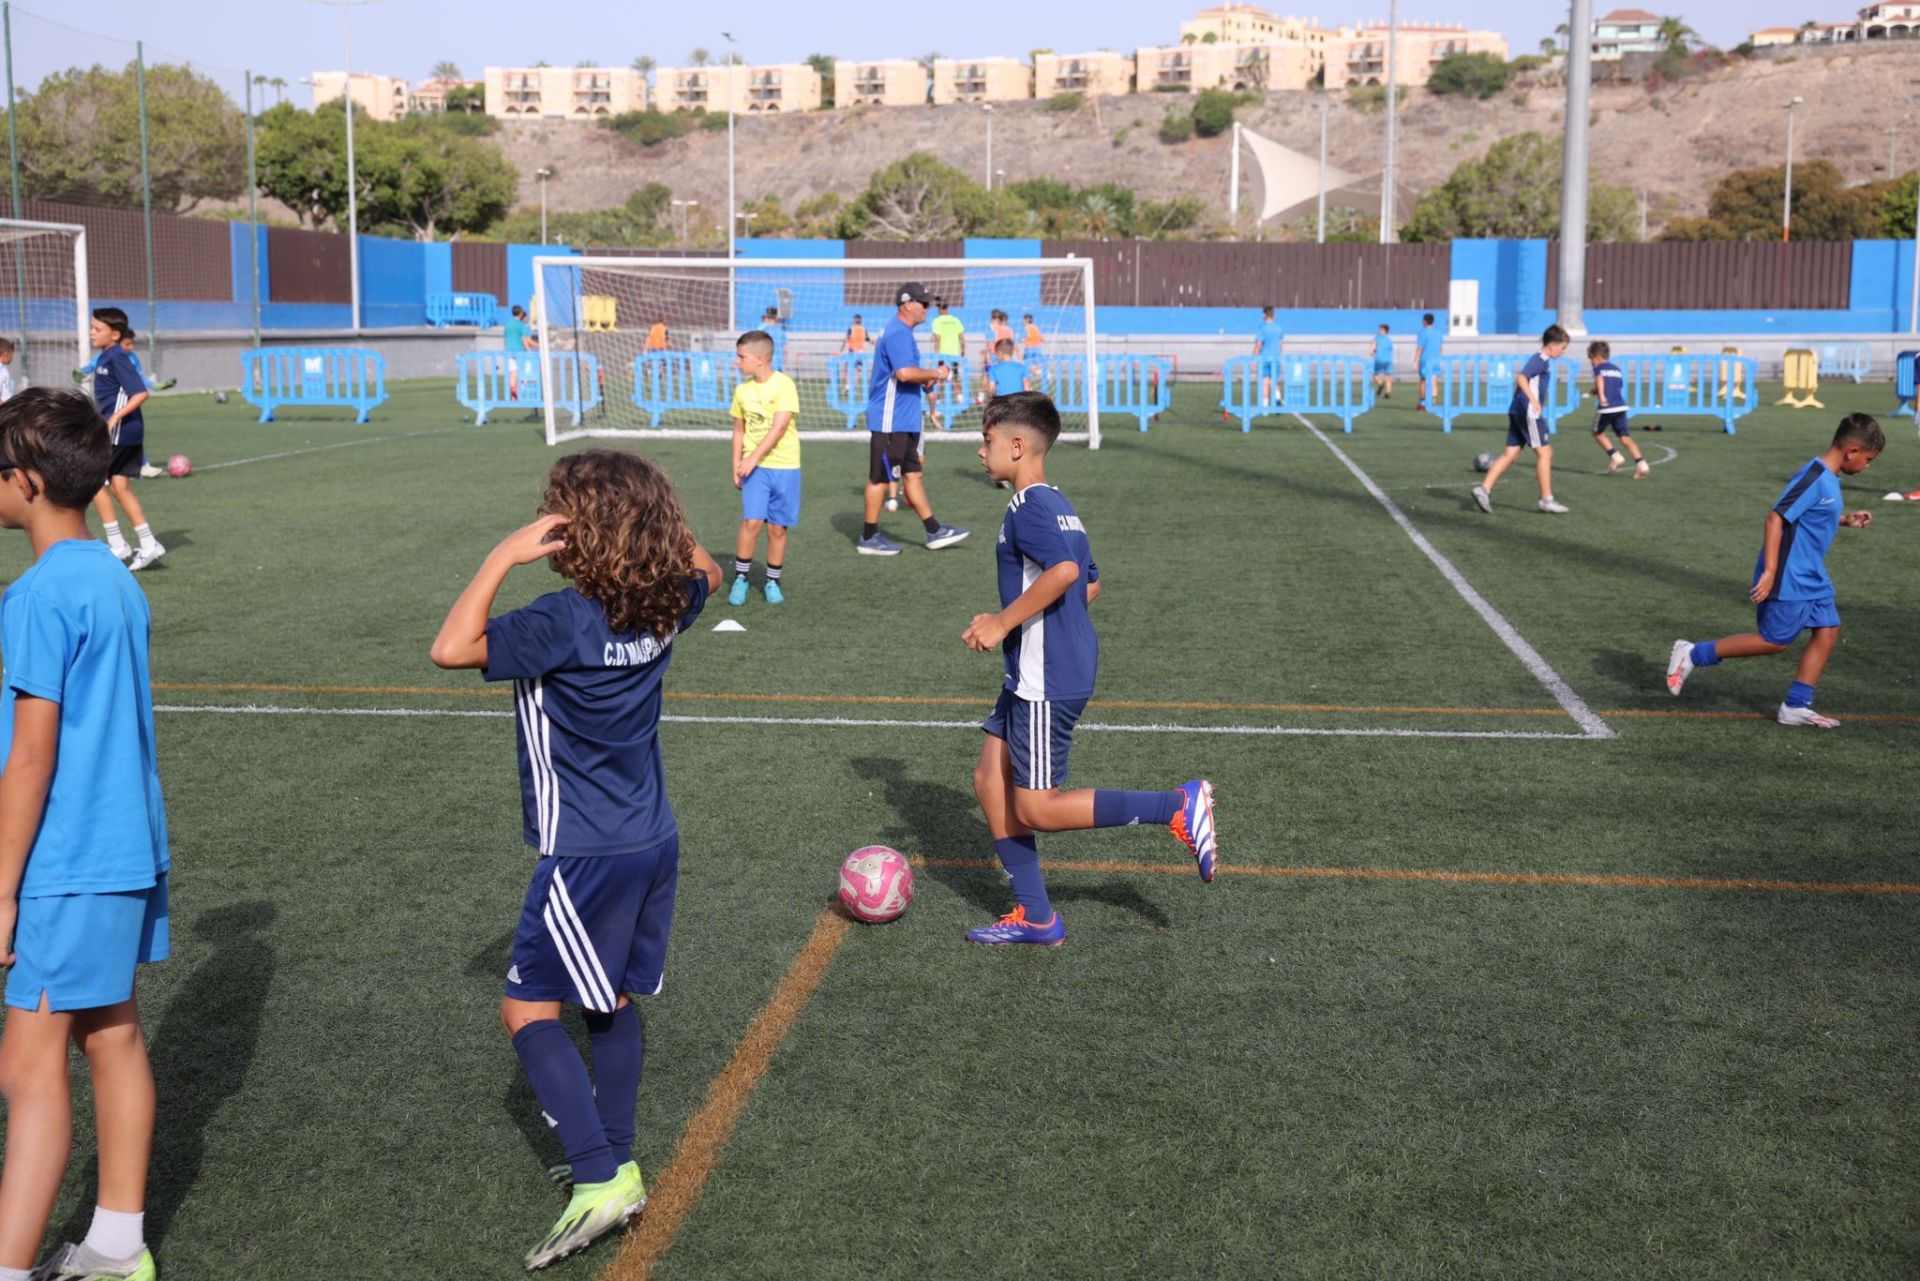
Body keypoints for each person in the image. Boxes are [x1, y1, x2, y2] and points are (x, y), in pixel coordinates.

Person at [429, 449, 723, 1271]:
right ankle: (617, 1159)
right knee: (611, 998)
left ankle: (598, 1174)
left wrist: (501, 555)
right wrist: (659, 533)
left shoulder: (559, 620)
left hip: (584, 851)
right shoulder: (668, 603)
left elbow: (450, 647)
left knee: (528, 1011)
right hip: (653, 838)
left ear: (570, 532)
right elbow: (710, 566)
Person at [0, 387, 169, 1281]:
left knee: (29, 1070)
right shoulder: (112, 575)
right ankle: (116, 1243)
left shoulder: (35, 594)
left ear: (25, 481)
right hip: (125, 849)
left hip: (63, 864)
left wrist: (1, 887)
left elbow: (31, 758)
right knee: (112, 1034)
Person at [960, 391, 1218, 946]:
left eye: (987, 440)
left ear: (1018, 443)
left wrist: (1006, 624)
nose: (981, 451)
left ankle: (1176, 806)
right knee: (988, 779)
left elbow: (1068, 573)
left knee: (1038, 810)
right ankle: (1036, 917)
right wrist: (1027, 623)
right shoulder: (1058, 503)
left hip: (1045, 679)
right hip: (1044, 669)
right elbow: (1091, 581)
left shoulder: (1029, 508)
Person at [1665, 414, 1882, 728]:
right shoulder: (1815, 476)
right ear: (1851, 451)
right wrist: (1769, 571)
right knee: (1775, 641)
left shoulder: (1830, 479)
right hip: (1788, 574)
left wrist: (1846, 519)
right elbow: (1775, 517)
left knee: (1828, 631)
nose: (1867, 466)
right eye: (1868, 459)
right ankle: (1693, 653)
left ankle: (1796, 705)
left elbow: (1809, 515)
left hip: (1812, 575)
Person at [858, 281, 969, 556]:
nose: (928, 309)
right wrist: (936, 374)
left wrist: (927, 380)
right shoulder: (897, 333)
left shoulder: (902, 333)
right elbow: (905, 373)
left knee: (913, 476)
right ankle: (869, 537)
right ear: (908, 304)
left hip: (904, 419)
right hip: (890, 420)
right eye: (924, 304)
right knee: (880, 479)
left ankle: (934, 530)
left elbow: (907, 375)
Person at [85, 310, 163, 570]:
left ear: (115, 334)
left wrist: (114, 417)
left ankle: (118, 544)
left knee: (95, 481)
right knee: (119, 487)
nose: (91, 333)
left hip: (120, 431)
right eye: (92, 328)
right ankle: (148, 543)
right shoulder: (105, 357)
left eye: (97, 329)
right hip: (126, 431)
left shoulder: (118, 357)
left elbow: (140, 393)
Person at [727, 330, 800, 606]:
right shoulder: (742, 390)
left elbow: (780, 427)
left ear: (760, 359)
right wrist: (736, 463)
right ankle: (741, 578)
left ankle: (772, 581)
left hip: (785, 466)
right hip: (753, 468)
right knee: (752, 521)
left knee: (778, 528)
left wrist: (752, 458)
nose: (737, 362)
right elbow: (738, 430)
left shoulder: (784, 385)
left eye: (740, 356)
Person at [1472, 324, 1570, 516]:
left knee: (1511, 454)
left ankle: (1483, 490)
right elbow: (1521, 377)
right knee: (1545, 453)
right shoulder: (1540, 359)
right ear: (1552, 345)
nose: (1563, 351)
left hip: (1518, 409)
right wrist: (1534, 401)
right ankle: (1546, 500)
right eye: (1563, 347)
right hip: (1528, 412)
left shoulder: (1542, 360)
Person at [1587, 341, 1648, 478]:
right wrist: (1596, 391)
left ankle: (1615, 456)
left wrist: (1601, 396)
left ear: (1595, 356)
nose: (1591, 362)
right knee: (1625, 438)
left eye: (1590, 358)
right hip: (1620, 406)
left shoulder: (1598, 368)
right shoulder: (1616, 369)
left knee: (1596, 432)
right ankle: (1642, 464)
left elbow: (1600, 379)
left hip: (1607, 408)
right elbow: (1617, 388)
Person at [928, 299, 965, 432]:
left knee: (940, 379)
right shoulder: (955, 320)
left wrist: (936, 354)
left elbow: (937, 339)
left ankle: (939, 404)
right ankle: (961, 401)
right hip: (954, 354)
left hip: (943, 354)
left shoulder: (937, 321)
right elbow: (962, 338)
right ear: (948, 307)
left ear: (938, 308)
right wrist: (962, 353)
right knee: (955, 377)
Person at [1252, 306, 1285, 407]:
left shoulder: (1261, 328)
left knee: (1265, 382)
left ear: (1264, 315)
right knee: (1274, 380)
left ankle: (1265, 406)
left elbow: (1258, 344)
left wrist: (1254, 360)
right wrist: (1280, 357)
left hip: (1264, 358)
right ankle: (1278, 398)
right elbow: (1280, 345)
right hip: (1275, 357)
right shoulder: (1279, 328)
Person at [1415, 312, 1444, 413]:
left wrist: (1415, 360)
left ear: (1425, 321)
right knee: (1434, 381)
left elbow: (1419, 348)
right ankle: (1434, 403)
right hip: (1435, 360)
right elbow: (1440, 348)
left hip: (1425, 360)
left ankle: (1422, 404)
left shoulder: (1422, 333)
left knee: (1423, 381)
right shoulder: (1439, 333)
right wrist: (1441, 360)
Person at [1371, 323, 1394, 399]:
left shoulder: (1377, 338)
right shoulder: (1389, 340)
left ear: (1383, 330)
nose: (1378, 330)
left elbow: (1373, 345)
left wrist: (1372, 351)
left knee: (1374, 373)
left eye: (1380, 329)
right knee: (1388, 375)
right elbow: (1391, 349)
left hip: (1379, 359)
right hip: (1388, 360)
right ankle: (1388, 393)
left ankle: (1380, 384)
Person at [0, 337, 14, 405]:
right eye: (12, 354)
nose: (12, 357)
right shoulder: (1, 371)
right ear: (6, 353)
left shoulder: (3, 368)